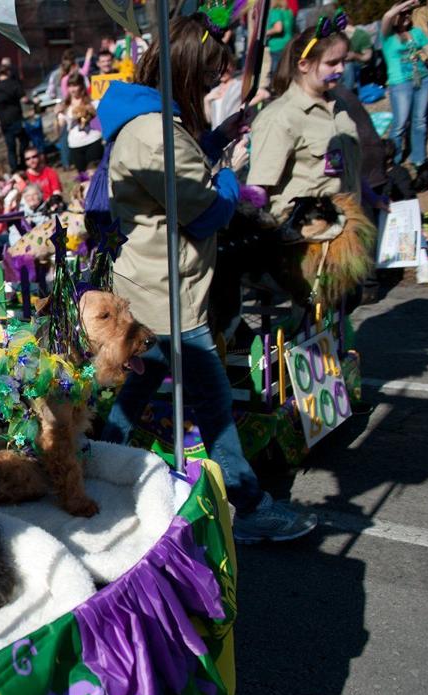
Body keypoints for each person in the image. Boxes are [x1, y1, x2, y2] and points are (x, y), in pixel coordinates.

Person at [98, 14, 317, 543]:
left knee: (130, 401)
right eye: (212, 74)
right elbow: (205, 212)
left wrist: (216, 139)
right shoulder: (155, 133)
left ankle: (95, 479)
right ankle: (251, 507)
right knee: (215, 410)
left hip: (159, 287)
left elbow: (178, 185)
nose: (219, 81)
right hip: (167, 296)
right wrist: (227, 174)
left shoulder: (154, 123)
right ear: (188, 70)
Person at [248, 24, 362, 220]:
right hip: (307, 238)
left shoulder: (339, 104)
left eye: (343, 60)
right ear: (304, 65)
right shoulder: (280, 117)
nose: (341, 68)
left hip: (349, 225)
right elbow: (257, 190)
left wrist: (371, 196)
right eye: (332, 62)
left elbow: (348, 166)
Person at [380, 0, 428, 167]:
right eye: (402, 14)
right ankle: (394, 160)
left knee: (419, 120)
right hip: (400, 84)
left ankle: (418, 158)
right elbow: (387, 16)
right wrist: (404, 4)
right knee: (400, 123)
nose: (406, 16)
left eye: (407, 14)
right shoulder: (387, 36)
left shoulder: (417, 32)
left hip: (423, 79)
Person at [58, 73, 104, 173]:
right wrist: (58, 113)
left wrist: (89, 111)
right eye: (70, 86)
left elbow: (101, 117)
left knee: (97, 173)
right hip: (75, 144)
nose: (72, 89)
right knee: (83, 177)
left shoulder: (92, 100)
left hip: (93, 140)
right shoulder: (65, 105)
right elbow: (61, 126)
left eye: (75, 85)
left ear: (81, 86)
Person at [0, 66, 29, 172]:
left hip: (4, 121)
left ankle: (13, 167)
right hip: (16, 118)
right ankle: (23, 163)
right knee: (24, 141)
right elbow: (24, 99)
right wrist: (33, 102)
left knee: (10, 146)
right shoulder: (14, 84)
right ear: (8, 73)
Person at [266, 0, 296, 75]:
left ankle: (274, 85)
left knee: (275, 71)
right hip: (288, 43)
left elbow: (278, 28)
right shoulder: (289, 12)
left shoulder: (275, 12)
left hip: (277, 45)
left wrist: (265, 32)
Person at [343, 23, 374, 89]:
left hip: (360, 64)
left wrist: (354, 55)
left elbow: (367, 57)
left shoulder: (361, 35)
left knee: (347, 67)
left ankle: (346, 94)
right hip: (344, 63)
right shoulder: (341, 37)